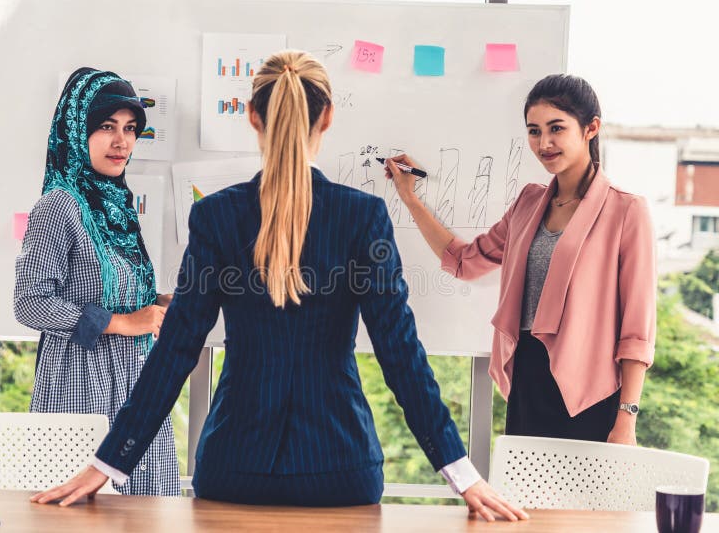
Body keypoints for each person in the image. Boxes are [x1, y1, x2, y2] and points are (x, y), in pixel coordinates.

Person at [30, 51, 527, 522]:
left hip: (234, 466)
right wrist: (462, 474)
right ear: (327, 117)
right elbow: (399, 353)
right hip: (339, 468)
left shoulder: (216, 215)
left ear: (251, 116)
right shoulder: (363, 217)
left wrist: (108, 464)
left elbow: (177, 349)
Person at [384, 74, 655, 445]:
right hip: (527, 381)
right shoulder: (529, 202)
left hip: (591, 395)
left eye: (556, 128)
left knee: (581, 505)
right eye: (534, 130)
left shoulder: (627, 210)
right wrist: (410, 199)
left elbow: (637, 331)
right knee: (526, 503)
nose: (544, 143)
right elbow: (465, 261)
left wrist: (626, 419)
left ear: (591, 128)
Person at [14, 67, 179, 496]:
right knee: (78, 516)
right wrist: (123, 323)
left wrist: (159, 302)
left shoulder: (116, 205)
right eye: (106, 127)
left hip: (134, 380)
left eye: (130, 129)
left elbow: (115, 290)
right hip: (79, 380)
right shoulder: (58, 205)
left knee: (142, 519)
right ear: (77, 129)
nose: (122, 141)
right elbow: (30, 302)